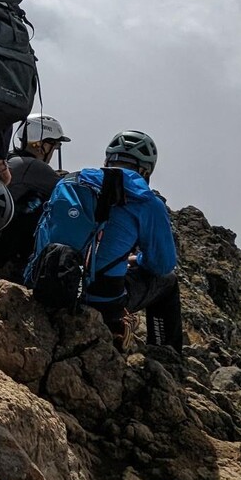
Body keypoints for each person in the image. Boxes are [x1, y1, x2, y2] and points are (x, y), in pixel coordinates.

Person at [26, 130, 182, 353]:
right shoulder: (146, 201)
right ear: (146, 170)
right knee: (168, 281)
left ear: (107, 160)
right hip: (102, 299)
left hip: (49, 282)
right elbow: (162, 264)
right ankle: (165, 351)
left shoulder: (70, 182)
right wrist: (135, 259)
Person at [0, 115, 70, 276]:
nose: (54, 152)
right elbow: (67, 190)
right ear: (41, 145)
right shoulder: (35, 167)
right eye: (54, 146)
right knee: (48, 205)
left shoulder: (11, 159)